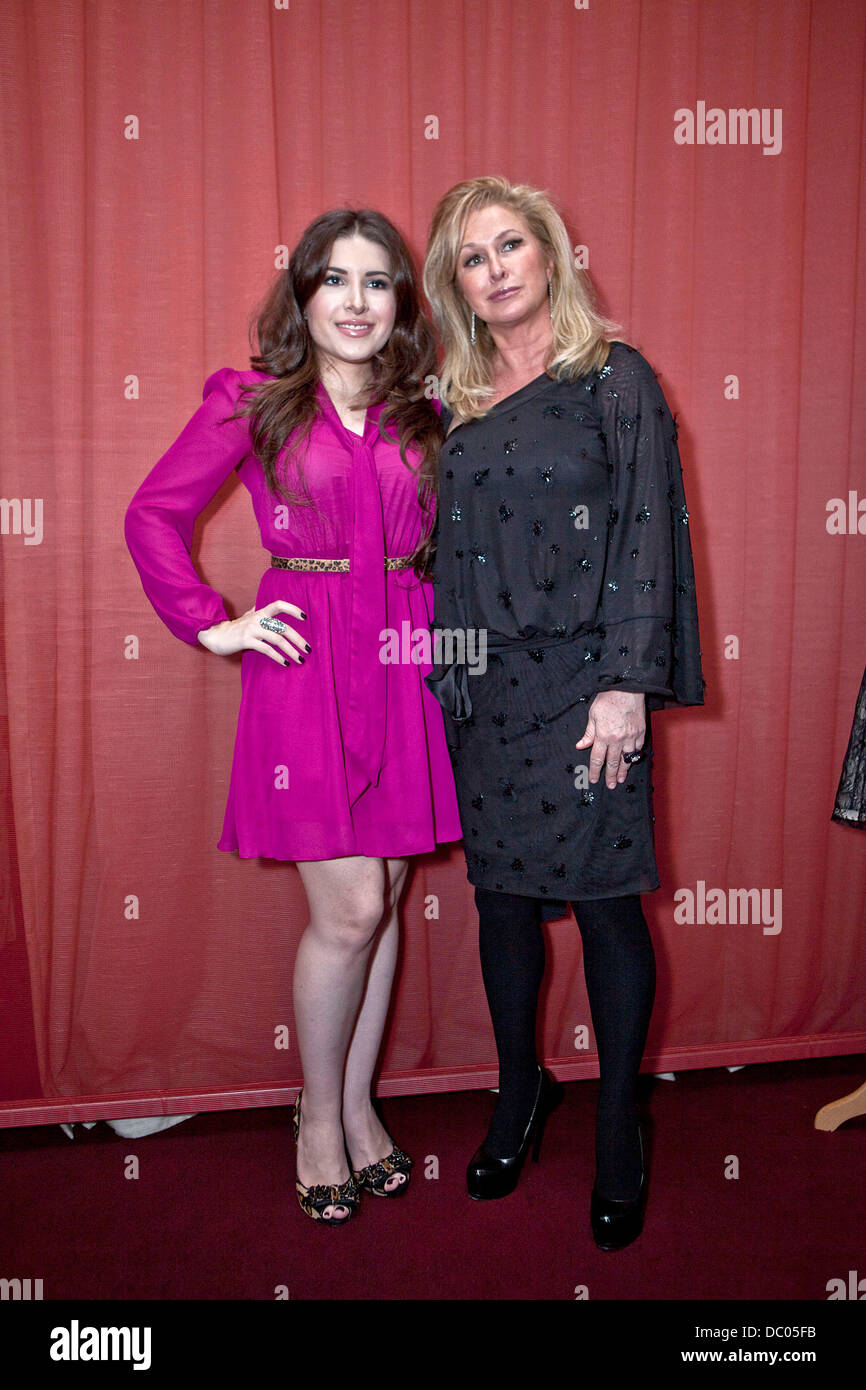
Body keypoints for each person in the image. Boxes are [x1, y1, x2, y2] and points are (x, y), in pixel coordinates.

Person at [124, 209, 462, 1225]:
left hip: (407, 650)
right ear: (303, 294)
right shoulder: (255, 402)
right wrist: (211, 625)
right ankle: (316, 1118)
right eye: (336, 279)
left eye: (377, 282)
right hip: (305, 660)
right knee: (348, 908)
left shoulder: (428, 411)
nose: (356, 301)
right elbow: (153, 514)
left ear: (400, 300)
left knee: (390, 892)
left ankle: (358, 1111)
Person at [422, 176, 705, 1250]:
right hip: (487, 690)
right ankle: (517, 1093)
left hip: (590, 691)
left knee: (601, 907)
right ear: (459, 283)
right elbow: (447, 561)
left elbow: (645, 533)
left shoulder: (613, 379)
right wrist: (443, 676)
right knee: (499, 905)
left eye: (510, 246)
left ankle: (621, 1129)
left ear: (550, 253)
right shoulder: (458, 396)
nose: (494, 270)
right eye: (471, 256)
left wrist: (627, 684)